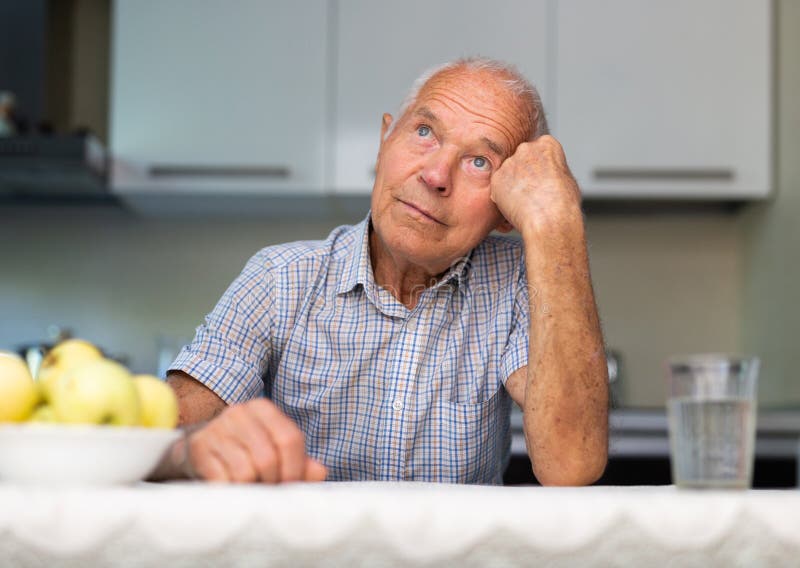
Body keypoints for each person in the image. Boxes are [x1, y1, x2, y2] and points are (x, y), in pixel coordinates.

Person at [155, 57, 608, 486]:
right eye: (425, 131)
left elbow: (570, 463)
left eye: (479, 162)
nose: (435, 175)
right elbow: (156, 440)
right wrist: (191, 450)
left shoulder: (516, 284)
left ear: (507, 207)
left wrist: (556, 222)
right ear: (384, 140)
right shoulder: (279, 278)